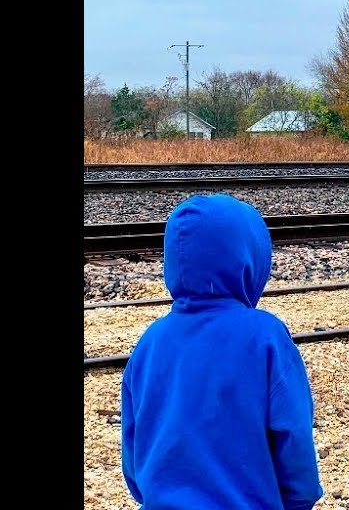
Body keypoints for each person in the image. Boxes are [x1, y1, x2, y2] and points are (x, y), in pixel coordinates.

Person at [121, 194, 323, 510]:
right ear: (250, 259)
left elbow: (134, 458)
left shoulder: (149, 342)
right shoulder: (265, 337)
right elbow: (293, 438)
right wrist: (298, 501)